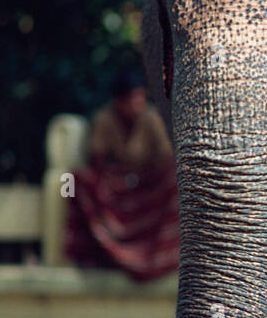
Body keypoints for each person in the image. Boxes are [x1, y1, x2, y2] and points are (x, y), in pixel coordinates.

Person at [64, 66, 180, 282]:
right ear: (119, 101)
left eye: (140, 99)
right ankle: (95, 252)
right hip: (116, 190)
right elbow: (97, 161)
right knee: (75, 180)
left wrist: (142, 177)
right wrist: (120, 178)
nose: (137, 105)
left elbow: (165, 160)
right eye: (131, 100)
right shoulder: (104, 119)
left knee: (176, 180)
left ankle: (154, 256)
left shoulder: (151, 119)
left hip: (147, 189)